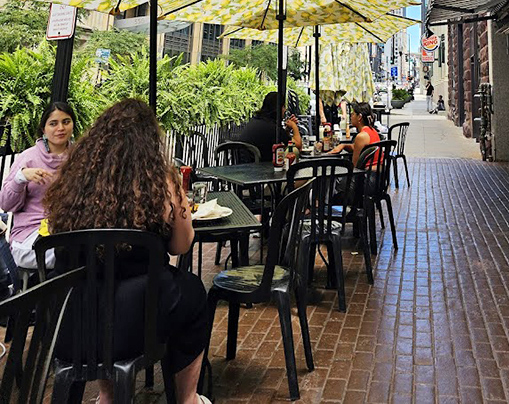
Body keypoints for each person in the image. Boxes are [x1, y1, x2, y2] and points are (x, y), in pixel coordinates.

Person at [44, 98, 210, 404]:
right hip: (136, 325)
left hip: (71, 322)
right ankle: (188, 398)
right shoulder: (161, 182)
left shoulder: (73, 182)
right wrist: (179, 202)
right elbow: (181, 245)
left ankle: (108, 395)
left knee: (112, 290)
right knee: (192, 290)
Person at [0, 101, 75, 269]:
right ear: (44, 129)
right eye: (53, 123)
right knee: (74, 254)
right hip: (30, 234)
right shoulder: (28, 158)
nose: (60, 128)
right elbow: (6, 204)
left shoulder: (81, 157)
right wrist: (20, 178)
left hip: (70, 230)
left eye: (66, 121)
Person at [236, 91, 302, 162]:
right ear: (278, 109)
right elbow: (298, 146)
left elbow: (283, 140)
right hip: (258, 168)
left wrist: (287, 130)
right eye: (283, 106)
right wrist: (294, 126)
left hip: (243, 164)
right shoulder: (273, 127)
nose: (285, 110)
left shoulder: (258, 120)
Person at [329, 101, 381, 167]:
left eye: (352, 114)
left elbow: (354, 165)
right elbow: (357, 147)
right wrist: (343, 146)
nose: (351, 117)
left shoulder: (361, 136)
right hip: (378, 172)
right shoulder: (372, 130)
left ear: (359, 117)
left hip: (366, 174)